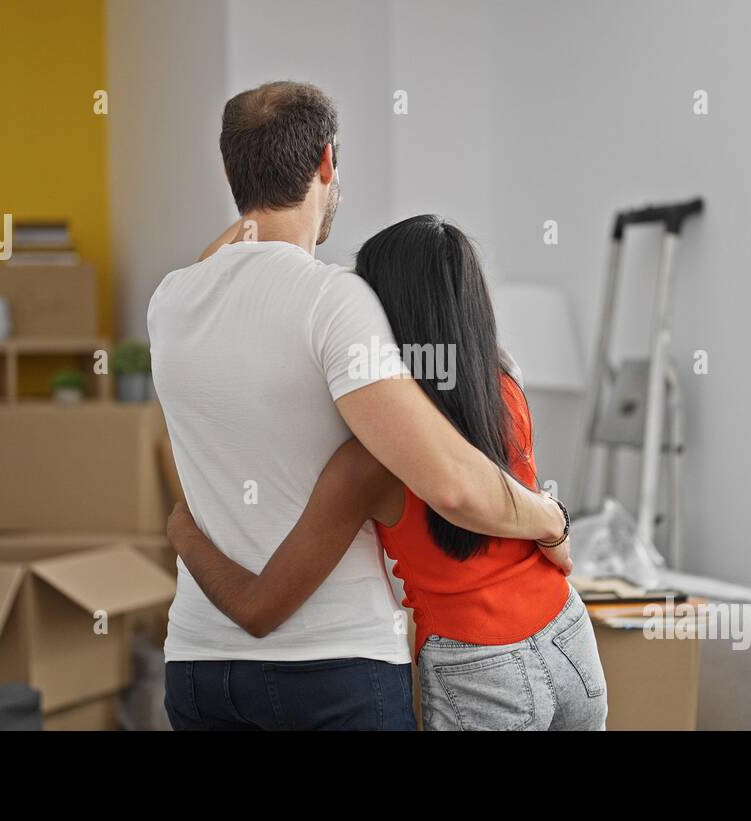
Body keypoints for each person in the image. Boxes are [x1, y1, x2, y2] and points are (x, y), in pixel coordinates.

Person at [147, 81, 568, 731]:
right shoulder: (337, 302)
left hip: (198, 665)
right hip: (329, 668)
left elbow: (226, 258)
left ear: (232, 175)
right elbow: (453, 484)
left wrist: (257, 180)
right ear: (325, 163)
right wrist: (549, 517)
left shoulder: (170, 301)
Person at [169, 214, 609, 731]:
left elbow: (259, 608)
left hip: (479, 664)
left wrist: (182, 529)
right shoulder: (505, 388)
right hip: (569, 633)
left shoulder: (371, 461)